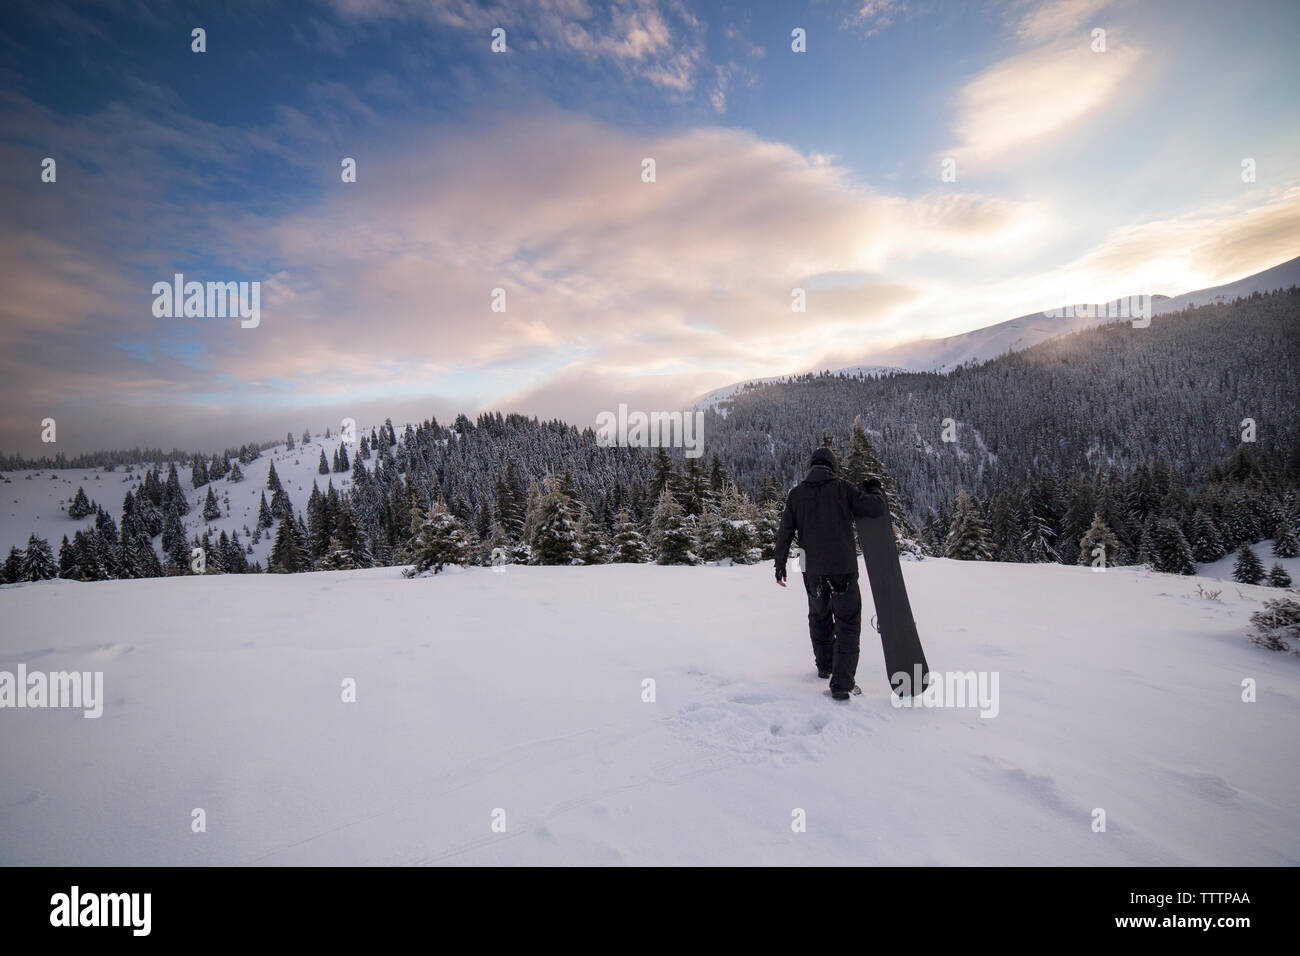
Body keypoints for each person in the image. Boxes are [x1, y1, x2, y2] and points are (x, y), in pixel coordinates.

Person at [773, 447, 886, 701]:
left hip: (812, 572)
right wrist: (875, 488)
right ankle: (842, 683)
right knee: (847, 623)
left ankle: (825, 667)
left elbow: (785, 532)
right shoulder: (842, 488)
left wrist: (779, 564)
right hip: (842, 570)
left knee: (819, 617)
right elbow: (875, 508)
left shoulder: (796, 494)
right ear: (832, 466)